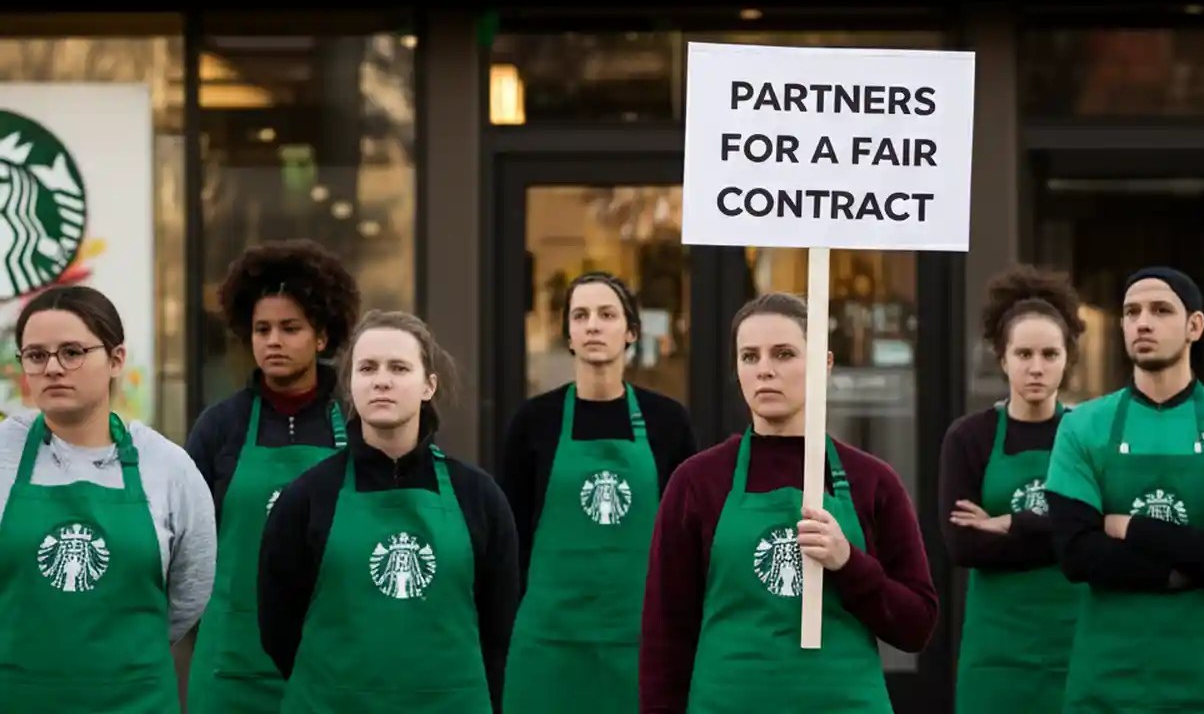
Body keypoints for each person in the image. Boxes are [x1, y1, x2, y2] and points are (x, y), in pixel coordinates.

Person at [640, 292, 938, 712]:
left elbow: (917, 626)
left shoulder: (872, 481)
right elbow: (664, 635)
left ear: (825, 364)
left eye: (783, 354)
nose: (765, 370)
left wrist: (848, 563)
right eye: (750, 357)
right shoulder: (696, 483)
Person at [258, 310, 520, 713]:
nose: (382, 379)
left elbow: (498, 630)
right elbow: (278, 625)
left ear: (428, 386)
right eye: (367, 368)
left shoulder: (480, 498)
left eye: (399, 367)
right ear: (350, 385)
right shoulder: (306, 498)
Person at [1046, 266, 1204, 713]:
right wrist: (1185, 569)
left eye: (1160, 310)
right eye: (1132, 312)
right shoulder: (1081, 428)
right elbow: (1076, 554)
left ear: (1195, 326)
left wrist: (1129, 527)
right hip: (1107, 682)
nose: (1143, 322)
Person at [0, 285, 216, 712]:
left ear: (116, 359)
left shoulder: (168, 467)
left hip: (135, 700)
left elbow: (192, 590)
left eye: (73, 352)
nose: (53, 368)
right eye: (36, 355)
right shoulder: (3, 454)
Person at [500, 271, 697, 714]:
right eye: (580, 315)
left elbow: (686, 541)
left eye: (607, 314)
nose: (592, 325)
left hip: (642, 642)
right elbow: (511, 539)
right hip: (550, 645)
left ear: (630, 331)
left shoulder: (668, 421)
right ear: (568, 334)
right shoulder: (535, 421)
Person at [185, 239, 361, 714]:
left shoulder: (358, 420)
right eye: (262, 329)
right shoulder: (219, 427)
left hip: (335, 660)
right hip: (231, 666)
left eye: (290, 328)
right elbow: (182, 541)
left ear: (322, 336)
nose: (273, 341)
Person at [940, 265, 1087, 713]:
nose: (1037, 368)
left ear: (1067, 359)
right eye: (1024, 354)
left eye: (1049, 354)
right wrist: (1061, 533)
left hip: (1078, 647)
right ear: (1002, 359)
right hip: (996, 656)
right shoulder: (970, 438)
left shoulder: (1087, 436)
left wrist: (1011, 523)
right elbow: (964, 547)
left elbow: (1097, 537)